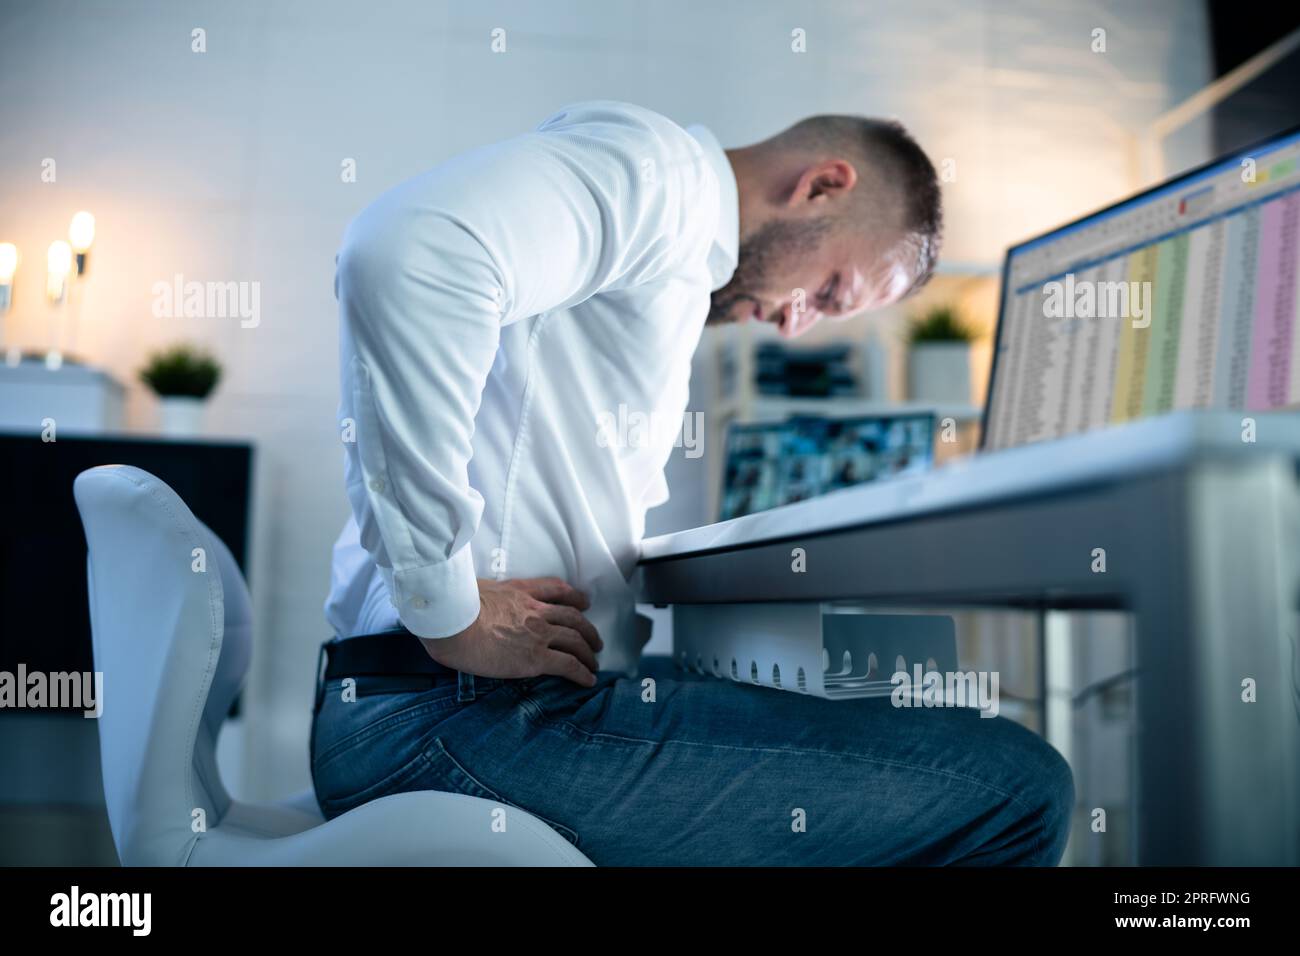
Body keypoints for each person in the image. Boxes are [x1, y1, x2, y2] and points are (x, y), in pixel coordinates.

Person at [312, 100, 1073, 865]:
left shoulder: (673, 257)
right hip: (454, 718)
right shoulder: (664, 177)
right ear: (823, 186)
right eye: (831, 291)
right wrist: (448, 610)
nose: (796, 326)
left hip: (444, 708)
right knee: (1019, 788)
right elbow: (409, 251)